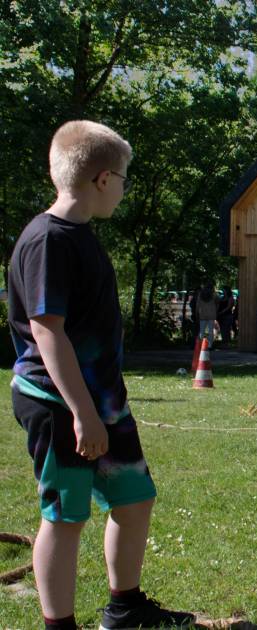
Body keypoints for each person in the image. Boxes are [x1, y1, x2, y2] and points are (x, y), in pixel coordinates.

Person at [7, 121, 194, 630]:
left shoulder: (81, 236)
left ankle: (125, 608)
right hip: (58, 404)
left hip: (101, 402)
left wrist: (99, 408)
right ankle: (59, 625)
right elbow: (48, 334)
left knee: (134, 498)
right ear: (103, 179)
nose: (126, 189)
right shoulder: (46, 240)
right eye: (125, 179)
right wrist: (83, 415)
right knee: (65, 517)